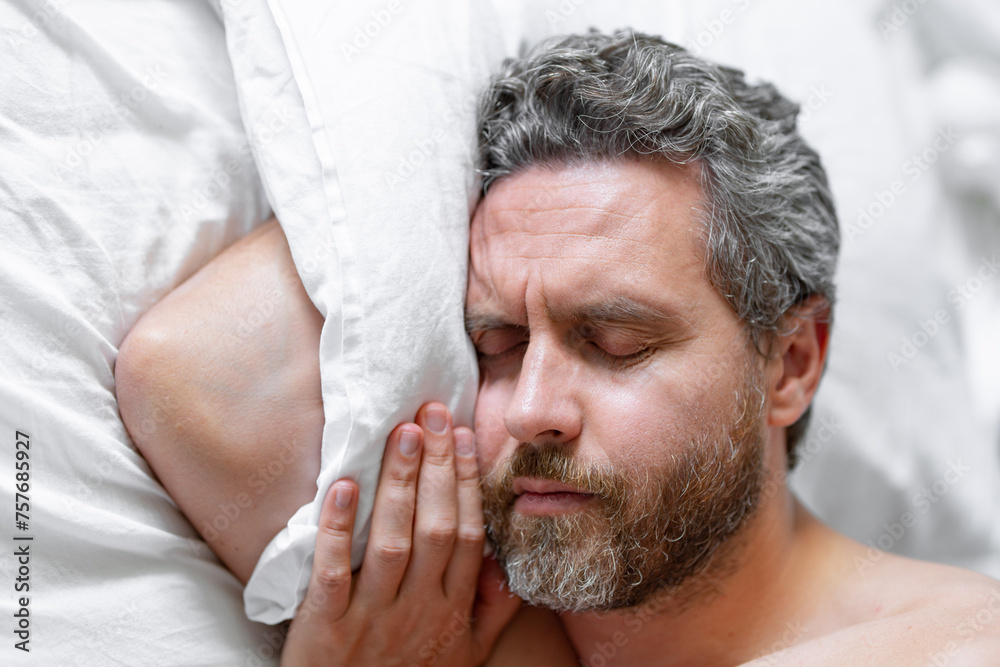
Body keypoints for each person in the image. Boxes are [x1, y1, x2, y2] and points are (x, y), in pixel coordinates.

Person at [115, 31, 1000, 665]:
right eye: (494, 343)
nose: (532, 408)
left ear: (792, 361)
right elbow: (186, 376)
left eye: (614, 342)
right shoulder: (460, 618)